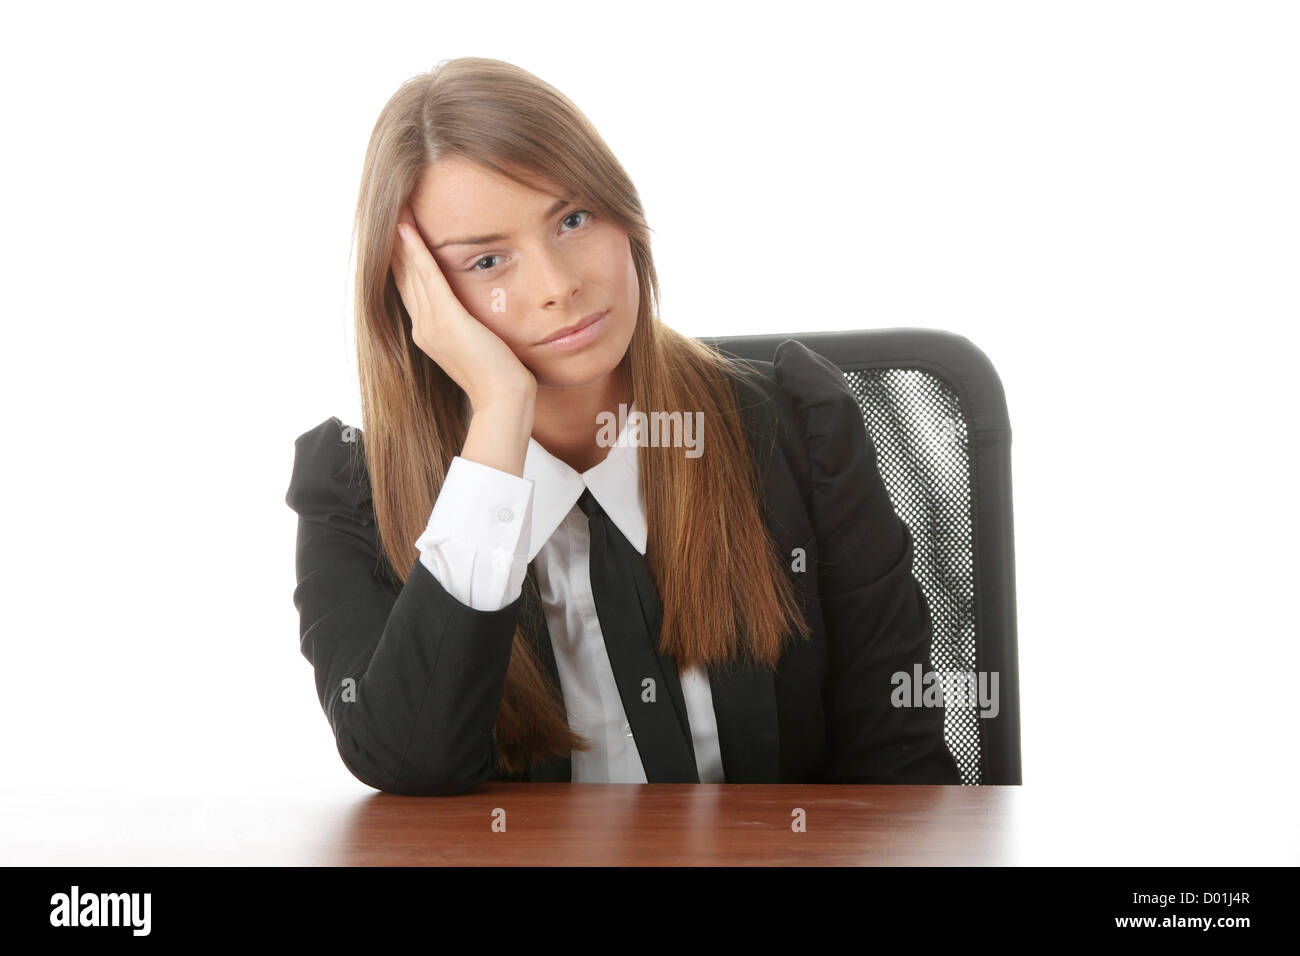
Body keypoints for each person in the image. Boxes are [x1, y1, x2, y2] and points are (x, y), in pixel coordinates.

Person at [284, 56, 961, 795]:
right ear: (416, 297)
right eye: (487, 261)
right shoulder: (353, 494)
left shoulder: (799, 434)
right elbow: (408, 761)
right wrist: (500, 413)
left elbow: (900, 774)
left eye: (573, 219)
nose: (557, 286)